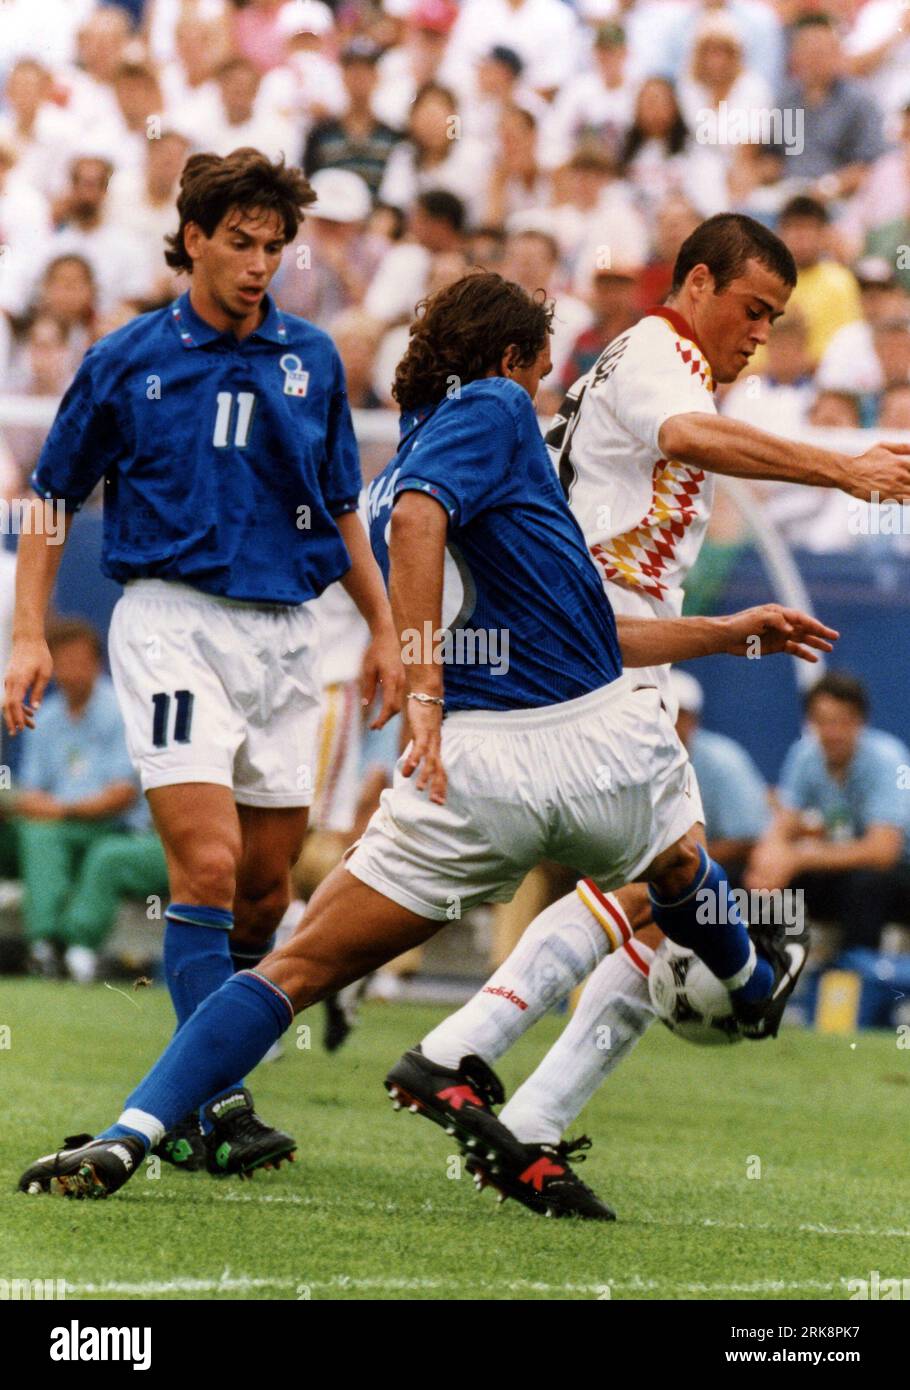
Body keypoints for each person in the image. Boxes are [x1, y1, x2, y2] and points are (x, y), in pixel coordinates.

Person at [16, 270, 834, 1204]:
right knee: (680, 869)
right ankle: (744, 978)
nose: (539, 395)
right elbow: (421, 526)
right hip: (596, 746)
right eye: (537, 373)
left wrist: (721, 634)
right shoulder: (492, 411)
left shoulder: (401, 462)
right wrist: (423, 686)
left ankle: (130, 1135)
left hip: (475, 782)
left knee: (295, 967)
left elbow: (554, 609)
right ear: (509, 359)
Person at [366, 213, 910, 1218]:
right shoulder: (660, 352)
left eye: (776, 319)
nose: (757, 334)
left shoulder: (662, 363)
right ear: (695, 283)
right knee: (665, 871)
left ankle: (527, 1114)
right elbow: (687, 437)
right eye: (750, 310)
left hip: (603, 635)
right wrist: (841, 467)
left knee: (662, 879)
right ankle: (464, 1045)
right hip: (599, 642)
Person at [6, 147, 401, 1182]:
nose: (259, 261)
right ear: (191, 237)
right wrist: (27, 630)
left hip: (288, 636)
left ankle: (190, 1081)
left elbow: (346, 512)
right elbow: (50, 499)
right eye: (240, 241)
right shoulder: (129, 356)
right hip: (172, 621)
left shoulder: (310, 358)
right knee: (210, 868)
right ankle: (210, 1105)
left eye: (275, 245)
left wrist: (391, 630)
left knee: (266, 894)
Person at [746, 672, 910, 952]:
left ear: (861, 721)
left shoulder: (889, 759)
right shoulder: (805, 755)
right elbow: (783, 823)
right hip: (839, 867)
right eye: (822, 721)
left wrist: (798, 857)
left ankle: (855, 981)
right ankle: (763, 975)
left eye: (842, 721)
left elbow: (883, 852)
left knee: (864, 885)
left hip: (896, 874)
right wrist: (766, 864)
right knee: (753, 885)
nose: (832, 732)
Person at [14, 618, 140, 980]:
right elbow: (33, 789)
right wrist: (38, 806)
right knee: (36, 832)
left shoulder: (120, 710)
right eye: (62, 661)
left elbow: (122, 796)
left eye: (77, 660)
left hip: (115, 827)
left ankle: (66, 942)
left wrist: (59, 809)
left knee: (93, 851)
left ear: (96, 663)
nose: (69, 669)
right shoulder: (47, 715)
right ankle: (45, 946)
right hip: (63, 827)